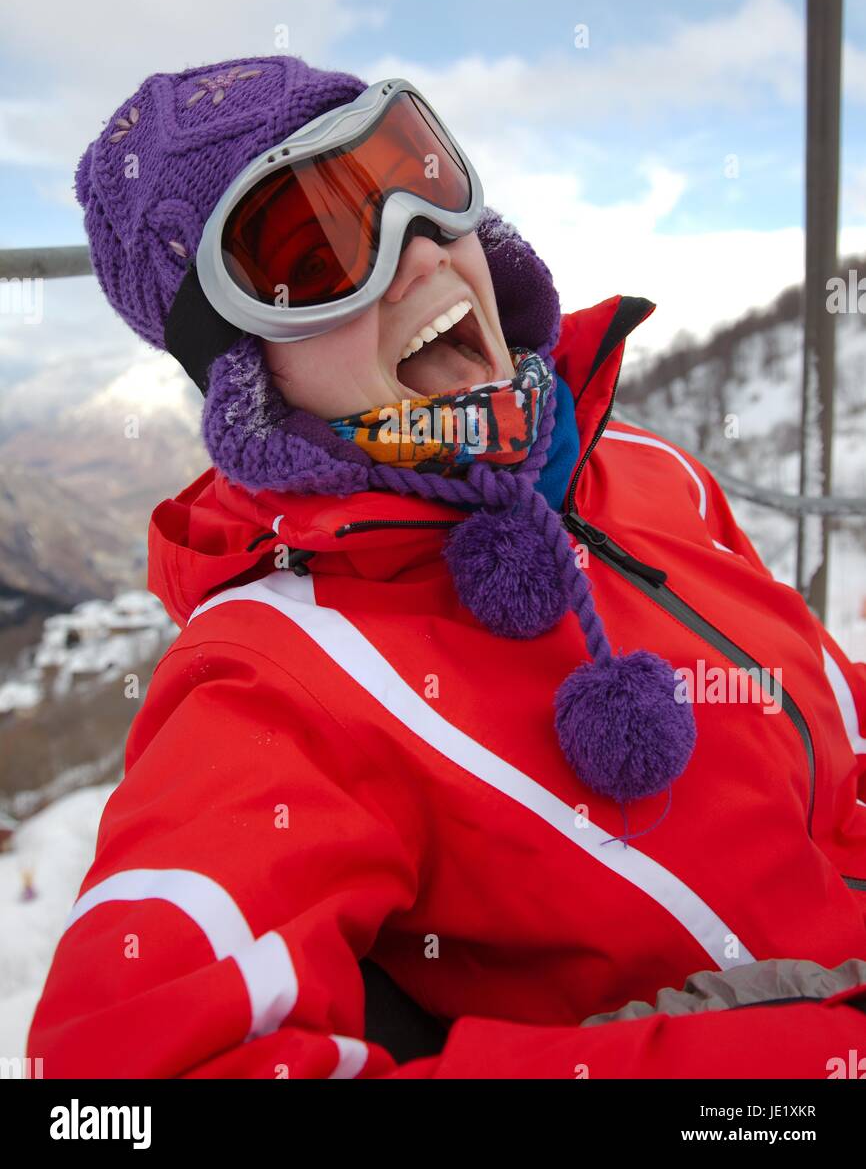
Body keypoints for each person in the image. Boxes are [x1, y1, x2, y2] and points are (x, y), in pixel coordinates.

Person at [26, 55, 866, 1079]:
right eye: (319, 245)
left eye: (418, 176)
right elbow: (122, 1078)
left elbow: (832, 709)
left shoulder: (639, 466)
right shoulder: (274, 680)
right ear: (248, 366)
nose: (416, 251)